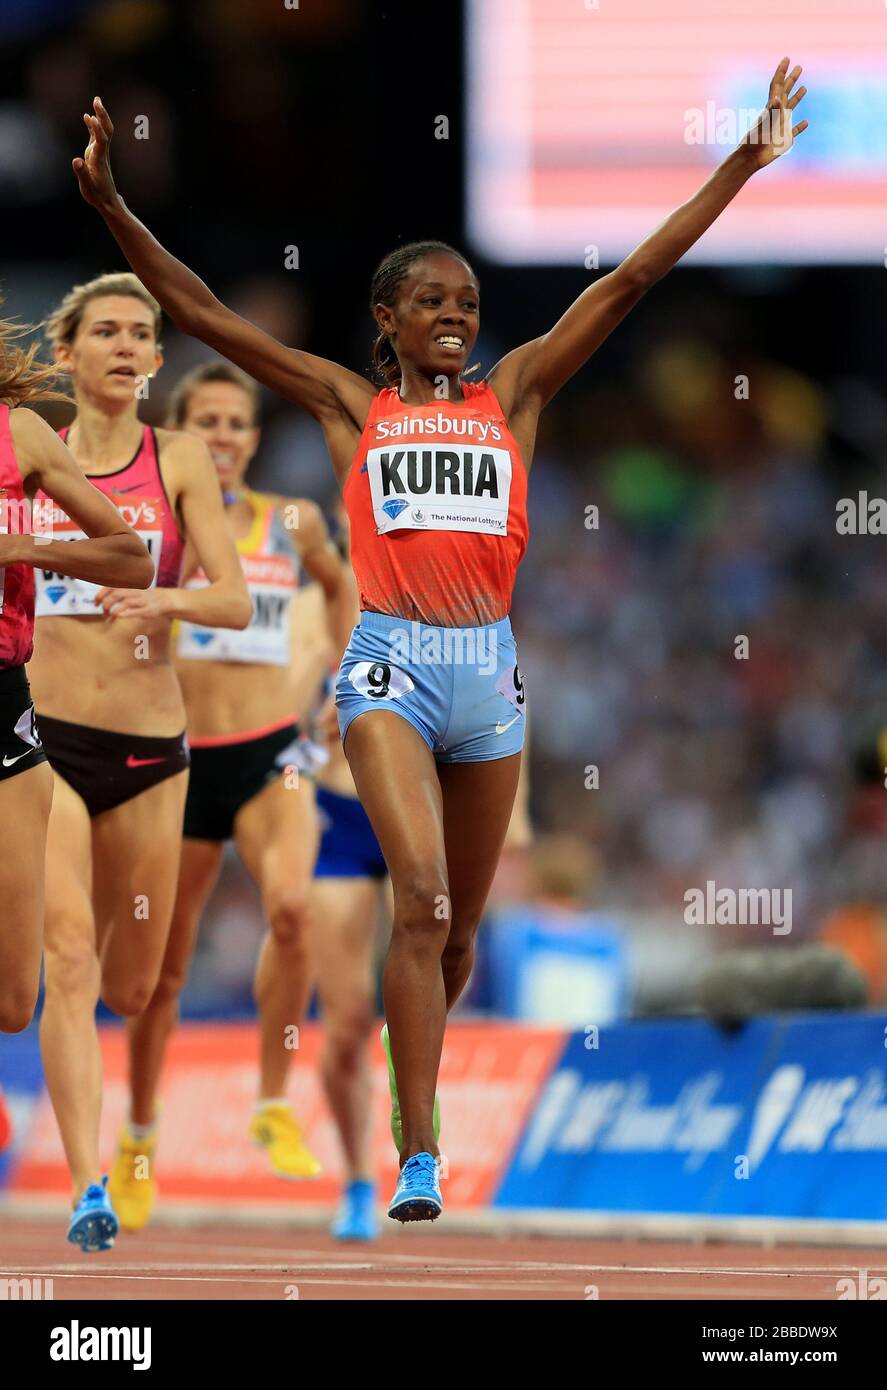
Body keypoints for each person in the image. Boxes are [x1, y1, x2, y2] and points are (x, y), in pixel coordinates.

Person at [72, 60, 808, 1221]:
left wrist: (737, 164)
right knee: (414, 900)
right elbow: (205, 315)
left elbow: (634, 278)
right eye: (432, 302)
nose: (456, 314)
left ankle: (418, 1054)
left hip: (490, 677)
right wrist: (115, 208)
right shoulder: (347, 405)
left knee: (454, 934)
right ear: (386, 321)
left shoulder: (513, 393)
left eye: (466, 299)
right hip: (388, 665)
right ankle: (419, 1154)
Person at [28, 274, 250, 1252]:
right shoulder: (31, 457)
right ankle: (88, 1185)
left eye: (142, 334)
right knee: (66, 962)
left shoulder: (182, 459)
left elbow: (234, 601)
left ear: (158, 359)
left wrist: (166, 601)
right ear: (67, 351)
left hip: (151, 750)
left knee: (132, 983)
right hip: (45, 743)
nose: (125, 346)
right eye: (105, 332)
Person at [108, 360, 349, 1229]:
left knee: (292, 911)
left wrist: (337, 690)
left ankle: (273, 1101)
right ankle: (138, 1134)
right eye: (204, 422)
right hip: (172, 765)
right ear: (177, 432)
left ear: (252, 437)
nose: (221, 437)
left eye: (235, 424)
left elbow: (342, 585)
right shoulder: (145, 530)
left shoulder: (293, 520)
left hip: (273, 754)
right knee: (161, 974)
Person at [1, 314, 153, 1041]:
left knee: (10, 1001)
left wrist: (23, 547)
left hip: (5, 707)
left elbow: (131, 558)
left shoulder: (21, 436)